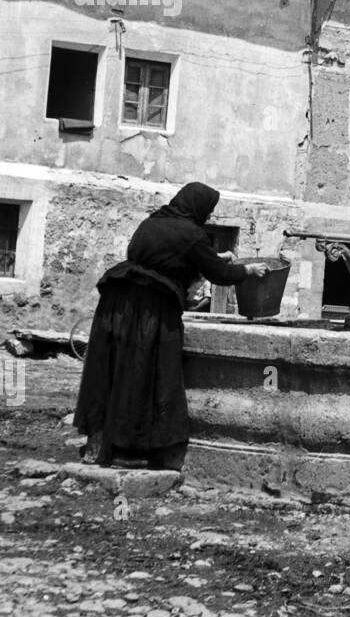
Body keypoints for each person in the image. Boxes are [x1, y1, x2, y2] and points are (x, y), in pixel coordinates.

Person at [73, 182, 269, 471]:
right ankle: (134, 449)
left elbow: (166, 256)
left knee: (112, 371)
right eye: (209, 210)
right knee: (145, 373)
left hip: (116, 304)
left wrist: (213, 258)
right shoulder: (192, 234)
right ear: (199, 207)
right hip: (150, 309)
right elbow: (218, 274)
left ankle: (98, 444)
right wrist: (248, 270)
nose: (210, 215)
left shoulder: (152, 222)